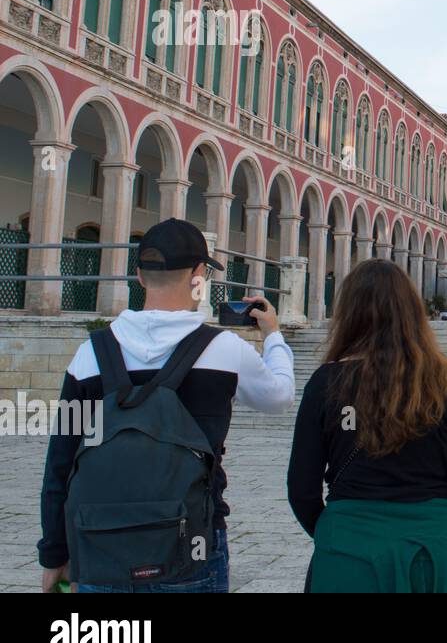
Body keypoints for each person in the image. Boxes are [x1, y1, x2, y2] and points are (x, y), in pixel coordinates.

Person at [39, 218, 294, 593]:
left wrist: (54, 555)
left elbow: (59, 463)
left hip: (99, 549)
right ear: (198, 276)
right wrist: (273, 334)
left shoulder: (90, 354)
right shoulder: (223, 350)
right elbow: (279, 397)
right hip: (191, 546)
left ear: (140, 276)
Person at [288, 259, 447, 593]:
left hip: (348, 552)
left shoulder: (325, 383)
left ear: (349, 314)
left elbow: (301, 489)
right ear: (412, 313)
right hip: (433, 550)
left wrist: (340, 535)